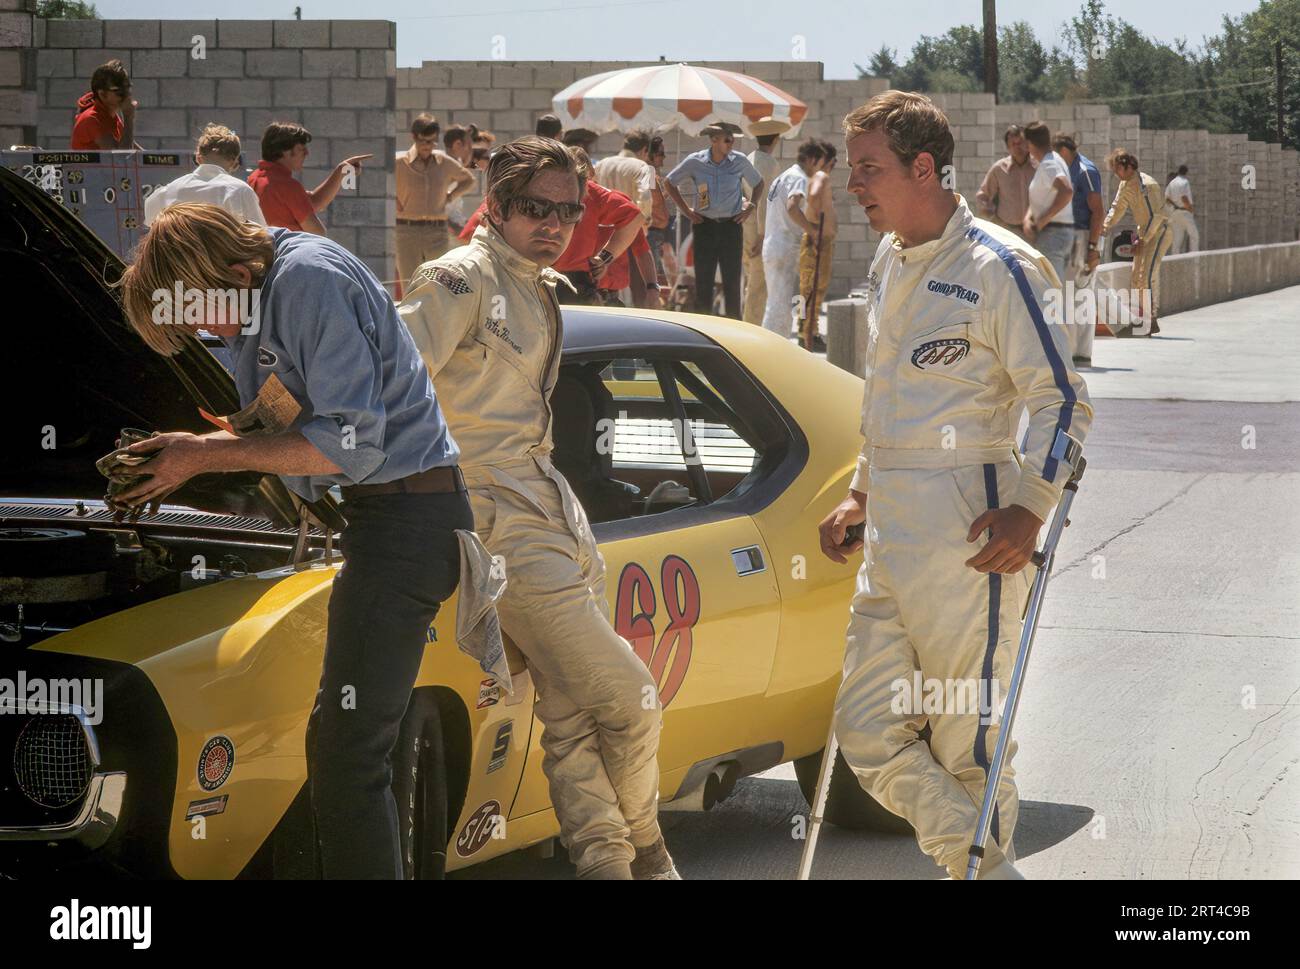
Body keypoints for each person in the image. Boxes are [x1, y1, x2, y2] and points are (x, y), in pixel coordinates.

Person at [114, 203, 469, 879]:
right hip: (383, 523)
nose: (205, 335)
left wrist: (207, 455)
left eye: (201, 317)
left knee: (346, 753)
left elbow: (350, 447)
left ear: (238, 272)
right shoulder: (267, 284)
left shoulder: (307, 280)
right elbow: (292, 437)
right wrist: (188, 453)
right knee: (349, 745)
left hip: (404, 525)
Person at [818, 91, 1092, 881]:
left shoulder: (1002, 265)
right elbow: (885, 398)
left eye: (869, 169)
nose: (854, 186)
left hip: (969, 528)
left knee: (967, 744)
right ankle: (988, 871)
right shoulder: (889, 259)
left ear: (924, 166)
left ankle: (974, 872)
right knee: (865, 728)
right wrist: (862, 493)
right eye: (852, 170)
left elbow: (1063, 400)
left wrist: (1031, 509)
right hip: (891, 532)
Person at [397, 136, 676, 881]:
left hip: (553, 507)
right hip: (499, 519)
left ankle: (606, 865)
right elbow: (391, 379)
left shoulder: (532, 280)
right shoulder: (459, 276)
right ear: (494, 204)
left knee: (573, 713)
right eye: (533, 208)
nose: (552, 223)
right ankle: (650, 847)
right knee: (631, 696)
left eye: (566, 210)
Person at [662, 123, 763, 318]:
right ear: (714, 140)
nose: (731, 143)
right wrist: (685, 210)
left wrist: (751, 206)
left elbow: (758, 183)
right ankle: (704, 329)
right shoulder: (695, 161)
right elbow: (669, 182)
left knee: (732, 282)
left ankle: (735, 327)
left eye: (732, 139)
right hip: (704, 226)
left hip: (731, 226)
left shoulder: (739, 161)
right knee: (703, 282)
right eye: (727, 139)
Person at [247, 121, 371, 235]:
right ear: (286, 152)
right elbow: (318, 233)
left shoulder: (254, 178)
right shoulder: (286, 186)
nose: (307, 153)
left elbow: (313, 202)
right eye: (301, 149)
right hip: (289, 255)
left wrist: (341, 170)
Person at [395, 114, 476, 287]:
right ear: (414, 137)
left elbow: (468, 180)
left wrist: (450, 196)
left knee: (438, 286)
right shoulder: (399, 163)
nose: (427, 146)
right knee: (410, 285)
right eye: (423, 141)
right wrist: (393, 201)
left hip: (436, 232)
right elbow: (380, 182)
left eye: (432, 142)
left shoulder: (444, 163)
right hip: (406, 231)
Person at [1099, 148, 1171, 335]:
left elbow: (1158, 216)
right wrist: (1105, 227)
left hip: (1158, 232)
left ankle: (1150, 319)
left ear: (1128, 166)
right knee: (1136, 276)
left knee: (1145, 275)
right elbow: (1117, 207)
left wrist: (1144, 238)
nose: (1116, 174)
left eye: (1117, 169)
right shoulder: (1125, 185)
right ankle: (1144, 318)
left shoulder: (1147, 185)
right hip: (1144, 233)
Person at [761, 138, 825, 336]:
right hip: (785, 246)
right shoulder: (799, 177)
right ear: (812, 159)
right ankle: (773, 351)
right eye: (819, 164)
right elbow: (792, 206)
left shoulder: (784, 175)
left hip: (773, 244)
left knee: (777, 303)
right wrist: (812, 229)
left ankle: (773, 346)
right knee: (780, 306)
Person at [144, 124, 265, 226]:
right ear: (235, 162)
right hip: (224, 253)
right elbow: (260, 235)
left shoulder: (169, 190)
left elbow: (150, 221)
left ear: (198, 158)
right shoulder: (240, 191)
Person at [1053, 134, 1104, 365]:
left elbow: (1098, 211)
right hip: (1068, 236)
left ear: (1065, 150)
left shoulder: (1085, 171)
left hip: (1082, 237)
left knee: (1080, 294)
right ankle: (1072, 350)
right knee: (1067, 294)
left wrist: (1092, 247)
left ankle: (1080, 352)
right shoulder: (1065, 169)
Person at [742, 117, 791, 325]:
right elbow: (764, 202)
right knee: (758, 283)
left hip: (745, 225)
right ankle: (752, 326)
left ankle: (750, 323)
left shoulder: (748, 157)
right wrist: (763, 235)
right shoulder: (769, 163)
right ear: (776, 140)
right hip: (759, 229)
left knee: (750, 279)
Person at [1020, 121, 1074, 305]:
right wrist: (1029, 218)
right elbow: (1043, 197)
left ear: (1029, 144)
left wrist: (1042, 220)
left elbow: (1066, 191)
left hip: (1053, 234)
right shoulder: (1051, 161)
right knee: (1052, 290)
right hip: (1056, 233)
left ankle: (1056, 333)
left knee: (1050, 294)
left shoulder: (1050, 164)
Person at [798, 141, 838, 350]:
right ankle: (806, 335)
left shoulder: (819, 177)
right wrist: (817, 214)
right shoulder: (821, 177)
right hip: (817, 239)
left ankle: (808, 331)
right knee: (811, 289)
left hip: (822, 240)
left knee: (815, 288)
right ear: (829, 161)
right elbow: (813, 196)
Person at [976, 125, 1036, 237]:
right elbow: (982, 196)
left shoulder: (1038, 167)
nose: (1018, 147)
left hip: (1034, 232)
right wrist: (992, 218)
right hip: (1008, 231)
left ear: (1027, 143)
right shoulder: (999, 169)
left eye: (1021, 143)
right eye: (1013, 144)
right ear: (1008, 147)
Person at [71, 59, 140, 150]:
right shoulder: (91, 119)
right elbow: (121, 158)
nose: (126, 95)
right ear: (102, 94)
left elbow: (134, 149)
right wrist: (128, 118)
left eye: (127, 88)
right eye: (119, 91)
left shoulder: (111, 116)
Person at [594, 129, 657, 225]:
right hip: (628, 225)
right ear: (644, 149)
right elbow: (645, 196)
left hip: (603, 225)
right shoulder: (643, 166)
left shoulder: (602, 164)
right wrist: (646, 219)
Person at [1165, 164, 1198, 253]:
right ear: (1186, 172)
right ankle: (1195, 257)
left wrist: (1175, 205)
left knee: (1177, 239)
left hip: (1175, 213)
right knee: (1194, 235)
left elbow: (1167, 198)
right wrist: (1190, 209)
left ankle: (1175, 259)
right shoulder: (1184, 182)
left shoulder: (1172, 183)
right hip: (1184, 212)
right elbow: (1184, 197)